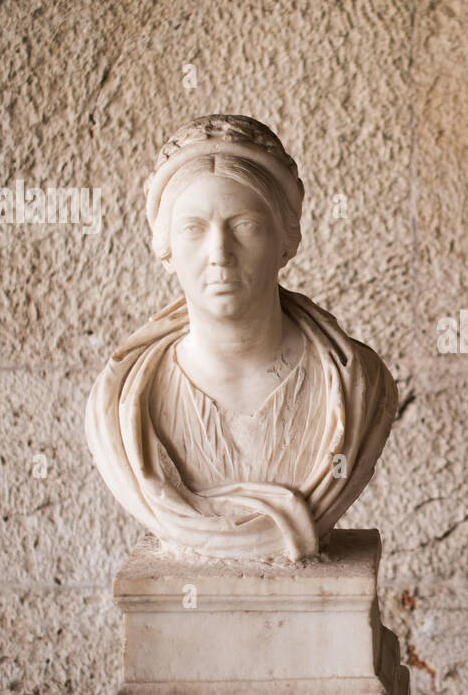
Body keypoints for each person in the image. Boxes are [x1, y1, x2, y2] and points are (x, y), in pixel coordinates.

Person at [86, 115, 396, 560]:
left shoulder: (356, 387)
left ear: (285, 239)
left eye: (244, 225)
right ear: (166, 249)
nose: (219, 253)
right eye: (194, 229)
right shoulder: (118, 405)